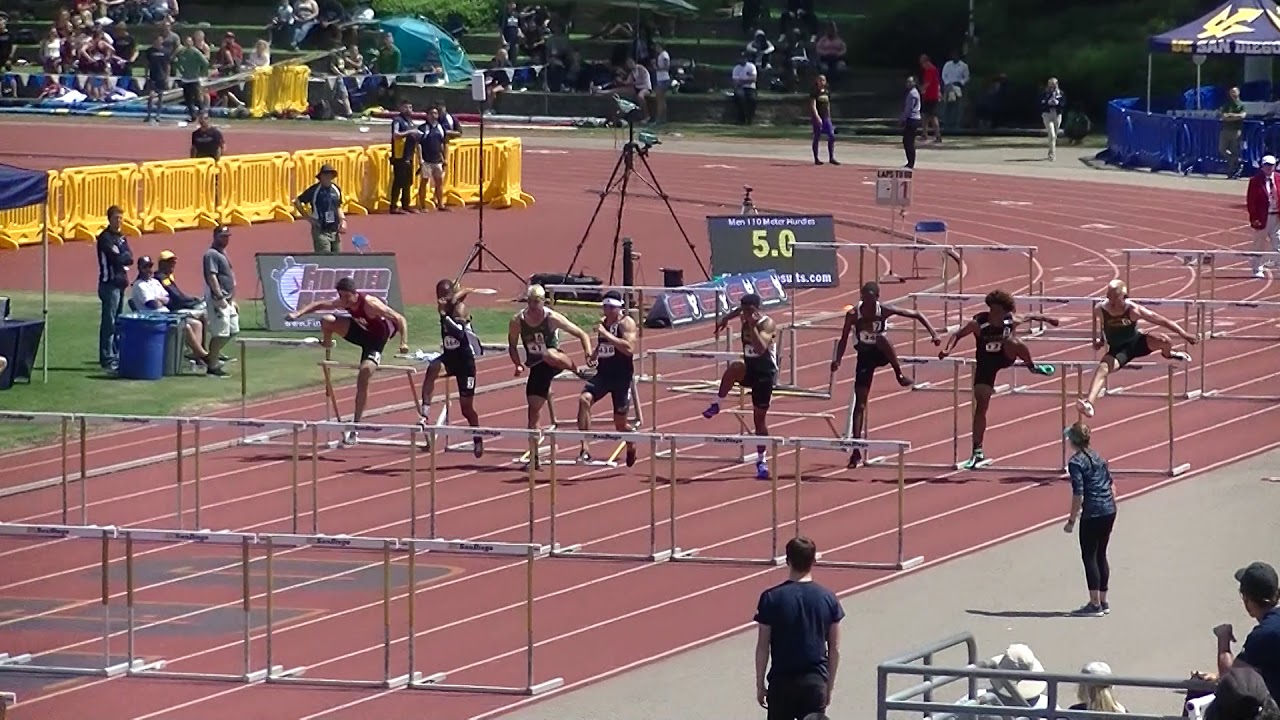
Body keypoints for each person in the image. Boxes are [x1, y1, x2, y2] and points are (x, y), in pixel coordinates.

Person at [938, 289, 1059, 470]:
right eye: (999, 312)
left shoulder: (1011, 320)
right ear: (993, 310)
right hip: (986, 364)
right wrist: (947, 350)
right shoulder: (977, 324)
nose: (1003, 316)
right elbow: (957, 335)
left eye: (1005, 312)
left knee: (1013, 342)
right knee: (981, 405)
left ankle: (1032, 366)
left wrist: (1050, 320)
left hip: (1005, 356)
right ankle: (977, 450)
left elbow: (1032, 316)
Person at [286, 276, 409, 445]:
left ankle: (356, 426)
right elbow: (320, 305)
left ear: (354, 293)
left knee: (364, 372)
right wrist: (297, 313)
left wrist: (403, 342)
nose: (343, 301)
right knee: (327, 320)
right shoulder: (345, 302)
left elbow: (400, 318)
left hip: (376, 340)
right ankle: (327, 343)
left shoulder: (371, 304)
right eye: (341, 296)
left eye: (346, 297)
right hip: (360, 332)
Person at [832, 282, 941, 468]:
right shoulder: (853, 315)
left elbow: (917, 314)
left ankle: (899, 374)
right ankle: (856, 451)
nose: (867, 304)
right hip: (864, 357)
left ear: (877, 298)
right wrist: (837, 360)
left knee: (881, 338)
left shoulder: (884, 310)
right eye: (864, 300)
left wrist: (934, 333)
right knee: (860, 403)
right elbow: (843, 339)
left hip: (882, 354)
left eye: (870, 300)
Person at [1077, 279, 1196, 417]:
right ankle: (1089, 404)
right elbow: (1101, 324)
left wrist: (1184, 334)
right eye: (1109, 297)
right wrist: (1099, 340)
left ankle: (1168, 354)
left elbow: (1162, 321)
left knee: (1164, 340)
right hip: (1119, 351)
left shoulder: (1133, 310)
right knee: (1102, 370)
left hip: (1137, 343)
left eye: (1115, 297)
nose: (1112, 301)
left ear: (1124, 296)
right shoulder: (1100, 309)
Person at [753, 536, 843, 720]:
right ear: (814, 560)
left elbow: (763, 646)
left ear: (788, 561)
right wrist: (829, 687)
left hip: (781, 681)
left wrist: (760, 684)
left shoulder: (771, 598)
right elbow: (834, 649)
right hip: (814, 681)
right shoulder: (828, 598)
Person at [507, 285, 593, 463]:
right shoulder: (517, 321)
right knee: (533, 411)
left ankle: (576, 370)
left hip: (556, 360)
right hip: (538, 367)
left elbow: (582, 334)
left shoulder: (552, 318)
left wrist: (588, 354)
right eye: (530, 302)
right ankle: (534, 456)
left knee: (548, 354)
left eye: (536, 302)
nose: (533, 306)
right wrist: (517, 364)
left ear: (543, 301)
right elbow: (512, 345)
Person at [702, 293, 778, 480]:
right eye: (744, 310)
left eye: (749, 310)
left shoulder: (767, 324)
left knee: (759, 420)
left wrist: (751, 325)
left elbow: (760, 348)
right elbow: (738, 311)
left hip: (764, 373)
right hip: (750, 369)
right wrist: (725, 318)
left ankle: (761, 460)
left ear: (757, 309)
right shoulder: (743, 314)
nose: (745, 313)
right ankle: (717, 403)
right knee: (735, 367)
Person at [419, 279, 483, 457]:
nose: (440, 299)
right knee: (432, 368)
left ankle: (477, 438)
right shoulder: (445, 307)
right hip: (449, 358)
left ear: (451, 295)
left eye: (444, 295)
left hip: (465, 362)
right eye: (438, 295)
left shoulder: (459, 309)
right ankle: (424, 414)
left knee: (466, 409)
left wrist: (443, 316)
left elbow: (459, 333)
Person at [577, 290, 639, 467]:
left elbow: (629, 348)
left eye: (611, 307)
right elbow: (603, 343)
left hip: (621, 378)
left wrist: (606, 334)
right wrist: (595, 354)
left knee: (620, 425)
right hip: (603, 375)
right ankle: (585, 449)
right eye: (605, 306)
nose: (607, 310)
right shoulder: (603, 323)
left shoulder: (626, 323)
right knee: (584, 400)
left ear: (619, 308)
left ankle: (631, 440)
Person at [1062, 421, 1117, 617]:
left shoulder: (1076, 462)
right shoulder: (1098, 457)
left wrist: (1071, 520)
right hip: (1109, 509)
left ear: (1073, 441)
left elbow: (1078, 492)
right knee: (1101, 553)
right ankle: (1103, 600)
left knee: (1089, 556)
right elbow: (1111, 484)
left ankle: (1094, 604)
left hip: (1093, 512)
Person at [1205, 562, 1280, 699]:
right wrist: (1216, 676)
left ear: (1246, 600)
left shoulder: (1264, 634)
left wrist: (1223, 639)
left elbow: (1232, 681)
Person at [130, 255, 212, 366]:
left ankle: (197, 355)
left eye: (150, 266)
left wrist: (160, 300)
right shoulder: (140, 285)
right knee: (186, 327)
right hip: (153, 319)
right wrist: (161, 300)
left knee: (197, 324)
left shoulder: (154, 281)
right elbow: (152, 304)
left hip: (166, 315)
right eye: (145, 267)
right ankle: (204, 356)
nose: (148, 269)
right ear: (140, 268)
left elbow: (168, 299)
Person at [95, 205, 133, 371]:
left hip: (121, 282)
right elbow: (115, 258)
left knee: (118, 322)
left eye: (121, 218)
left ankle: (116, 354)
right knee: (109, 323)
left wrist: (122, 255)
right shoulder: (105, 238)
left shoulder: (122, 237)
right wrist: (121, 256)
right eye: (116, 218)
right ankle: (106, 357)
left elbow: (129, 257)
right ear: (109, 219)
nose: (119, 221)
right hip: (109, 283)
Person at [202, 225, 238, 378]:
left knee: (233, 330)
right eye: (223, 236)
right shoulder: (211, 254)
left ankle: (211, 356)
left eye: (227, 236)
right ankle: (212, 365)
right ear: (215, 236)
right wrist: (219, 296)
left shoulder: (223, 253)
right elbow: (212, 276)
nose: (226, 239)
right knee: (221, 332)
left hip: (228, 299)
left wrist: (232, 298)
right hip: (218, 299)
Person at [294, 164, 346, 255]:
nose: (327, 176)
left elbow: (338, 206)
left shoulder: (336, 189)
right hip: (320, 229)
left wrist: (343, 221)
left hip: (335, 230)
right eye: (325, 174)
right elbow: (297, 201)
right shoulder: (315, 190)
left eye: (329, 174)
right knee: (324, 256)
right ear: (321, 176)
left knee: (338, 257)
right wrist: (308, 218)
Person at [1246, 155, 1280, 279]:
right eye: (1266, 165)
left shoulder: (1278, 178)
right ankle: (1257, 268)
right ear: (1262, 166)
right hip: (1262, 218)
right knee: (1259, 244)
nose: (1269, 168)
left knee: (1278, 243)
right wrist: (1254, 218)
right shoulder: (1255, 181)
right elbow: (1251, 201)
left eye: (1271, 165)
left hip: (1276, 217)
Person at [388, 100, 420, 214]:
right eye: (406, 107)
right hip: (399, 156)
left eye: (410, 107)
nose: (408, 109)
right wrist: (409, 132)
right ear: (400, 108)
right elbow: (396, 134)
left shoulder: (410, 121)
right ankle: (393, 206)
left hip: (409, 155)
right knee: (398, 181)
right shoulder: (397, 120)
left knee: (408, 182)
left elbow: (416, 141)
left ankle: (406, 204)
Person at [415, 107, 449, 212]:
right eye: (431, 113)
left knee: (439, 182)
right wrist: (420, 159)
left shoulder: (441, 128)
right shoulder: (422, 128)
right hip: (426, 160)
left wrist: (445, 158)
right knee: (424, 182)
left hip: (437, 160)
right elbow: (418, 144)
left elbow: (444, 144)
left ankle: (440, 204)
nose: (433, 115)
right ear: (427, 115)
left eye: (435, 113)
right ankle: (422, 205)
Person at [809, 74, 838, 166]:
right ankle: (816, 158)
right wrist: (817, 117)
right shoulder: (814, 92)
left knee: (831, 135)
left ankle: (831, 157)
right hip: (818, 117)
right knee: (817, 136)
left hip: (826, 117)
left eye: (823, 80)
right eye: (820, 80)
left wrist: (829, 116)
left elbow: (828, 104)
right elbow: (813, 106)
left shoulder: (827, 92)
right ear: (817, 81)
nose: (821, 82)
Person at [142, 31, 170, 124]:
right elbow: (146, 63)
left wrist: (167, 76)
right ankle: (149, 114)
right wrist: (146, 74)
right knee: (151, 96)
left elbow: (168, 65)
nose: (158, 42)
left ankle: (158, 115)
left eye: (160, 40)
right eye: (156, 40)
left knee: (160, 96)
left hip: (162, 76)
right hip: (152, 76)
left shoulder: (165, 51)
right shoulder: (149, 51)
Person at [1040, 77, 1064, 161]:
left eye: (1054, 84)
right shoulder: (1045, 93)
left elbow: (1064, 104)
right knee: (1052, 134)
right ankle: (1052, 154)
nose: (1053, 86)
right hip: (1047, 114)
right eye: (1051, 84)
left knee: (1054, 136)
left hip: (1057, 115)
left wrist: (1058, 103)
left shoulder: (1060, 93)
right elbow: (1040, 103)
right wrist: (1048, 102)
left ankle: (1051, 151)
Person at [901, 76, 921, 169]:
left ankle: (911, 162)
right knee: (908, 141)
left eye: (910, 82)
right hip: (914, 118)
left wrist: (903, 119)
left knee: (908, 141)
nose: (908, 84)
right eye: (907, 82)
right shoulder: (914, 93)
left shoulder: (912, 94)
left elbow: (909, 109)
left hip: (912, 119)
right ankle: (910, 161)